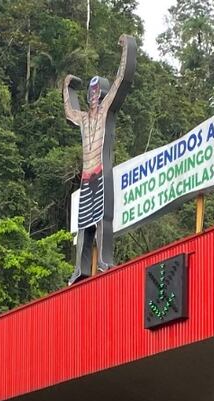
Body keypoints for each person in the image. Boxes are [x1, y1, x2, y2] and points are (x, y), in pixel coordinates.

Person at [61, 35, 137, 283]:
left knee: (103, 218)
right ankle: (80, 268)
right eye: (91, 92)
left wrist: (127, 48)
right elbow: (69, 111)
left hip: (100, 171)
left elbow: (121, 80)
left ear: (102, 94)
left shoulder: (106, 111)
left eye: (97, 91)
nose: (94, 95)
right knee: (84, 224)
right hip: (86, 175)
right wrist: (67, 88)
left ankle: (104, 260)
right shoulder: (84, 119)